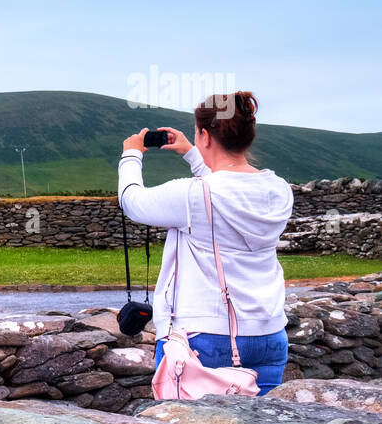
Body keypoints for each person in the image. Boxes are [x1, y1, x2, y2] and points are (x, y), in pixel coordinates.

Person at [118, 91, 294, 395]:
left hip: (203, 336)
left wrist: (131, 154)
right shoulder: (279, 189)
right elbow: (226, 188)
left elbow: (132, 201)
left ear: (205, 136)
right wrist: (191, 153)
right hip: (269, 333)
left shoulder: (191, 195)